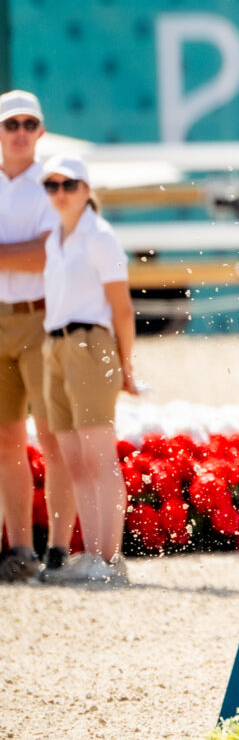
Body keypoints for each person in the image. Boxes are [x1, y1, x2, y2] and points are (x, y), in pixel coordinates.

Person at [35, 155, 135, 587]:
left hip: (90, 343)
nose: (60, 193)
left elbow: (122, 308)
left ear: (86, 189)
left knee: (98, 455)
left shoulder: (101, 237)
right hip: (55, 344)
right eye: (52, 185)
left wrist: (126, 365)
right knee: (74, 459)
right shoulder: (56, 237)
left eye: (69, 184)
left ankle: (109, 558)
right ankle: (93, 553)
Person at [0, 90, 66, 583]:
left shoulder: (52, 184)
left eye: (28, 124)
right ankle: (20, 548)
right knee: (6, 439)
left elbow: (46, 255)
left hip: (41, 318)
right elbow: (31, 252)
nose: (20, 132)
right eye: (11, 124)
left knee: (51, 437)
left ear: (40, 131)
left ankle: (59, 549)